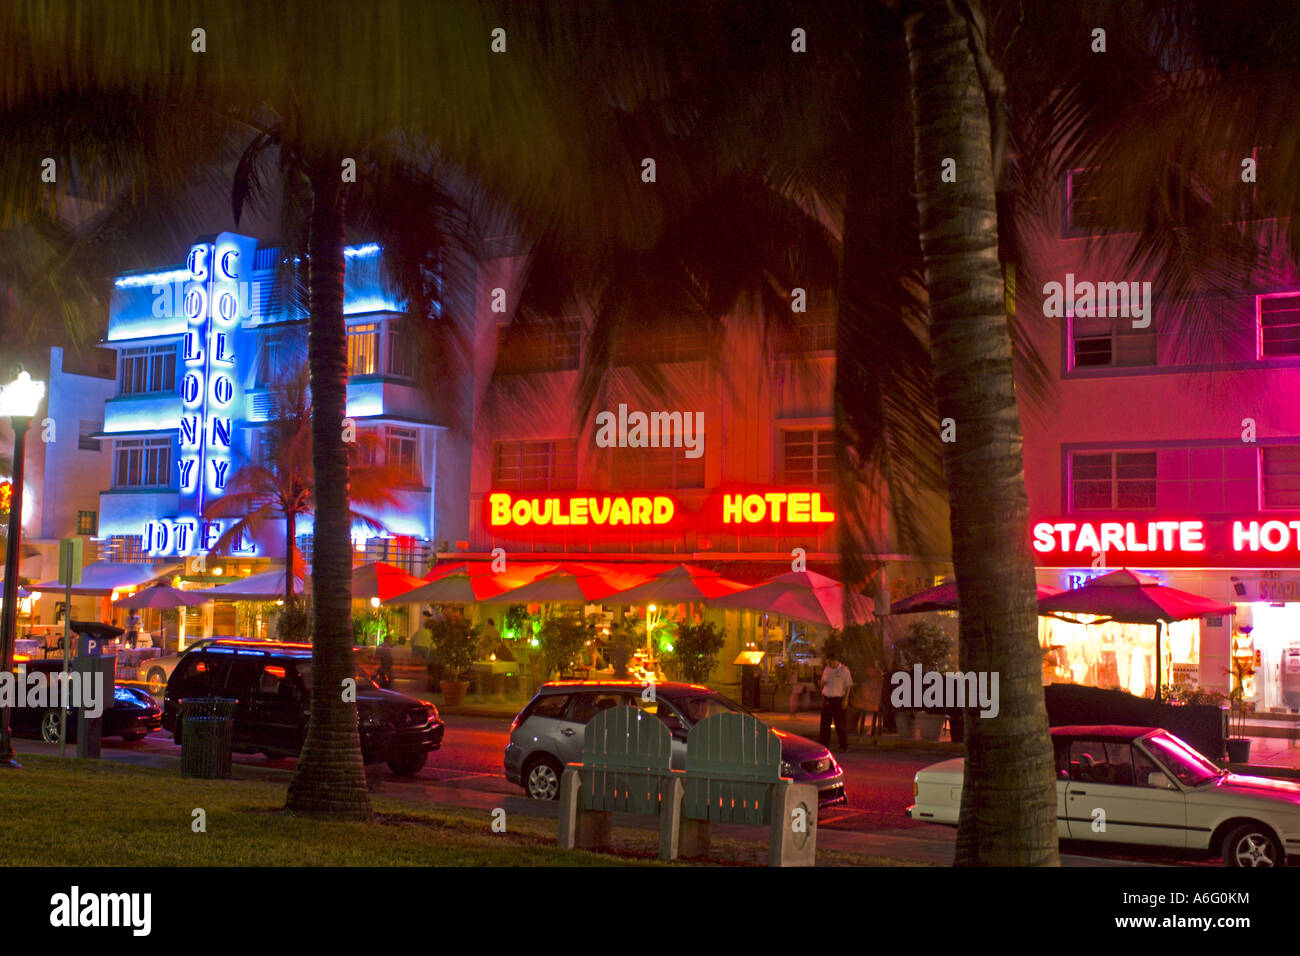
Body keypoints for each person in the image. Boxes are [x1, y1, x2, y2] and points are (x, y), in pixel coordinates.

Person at [819, 650, 853, 752]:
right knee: (824, 725)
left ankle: (843, 745)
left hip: (838, 699)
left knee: (840, 725)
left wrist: (846, 699)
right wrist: (821, 684)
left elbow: (848, 686)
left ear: (836, 661)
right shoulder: (826, 669)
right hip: (827, 698)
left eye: (831, 662)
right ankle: (824, 745)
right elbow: (823, 682)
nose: (829, 664)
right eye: (827, 662)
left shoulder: (844, 670)